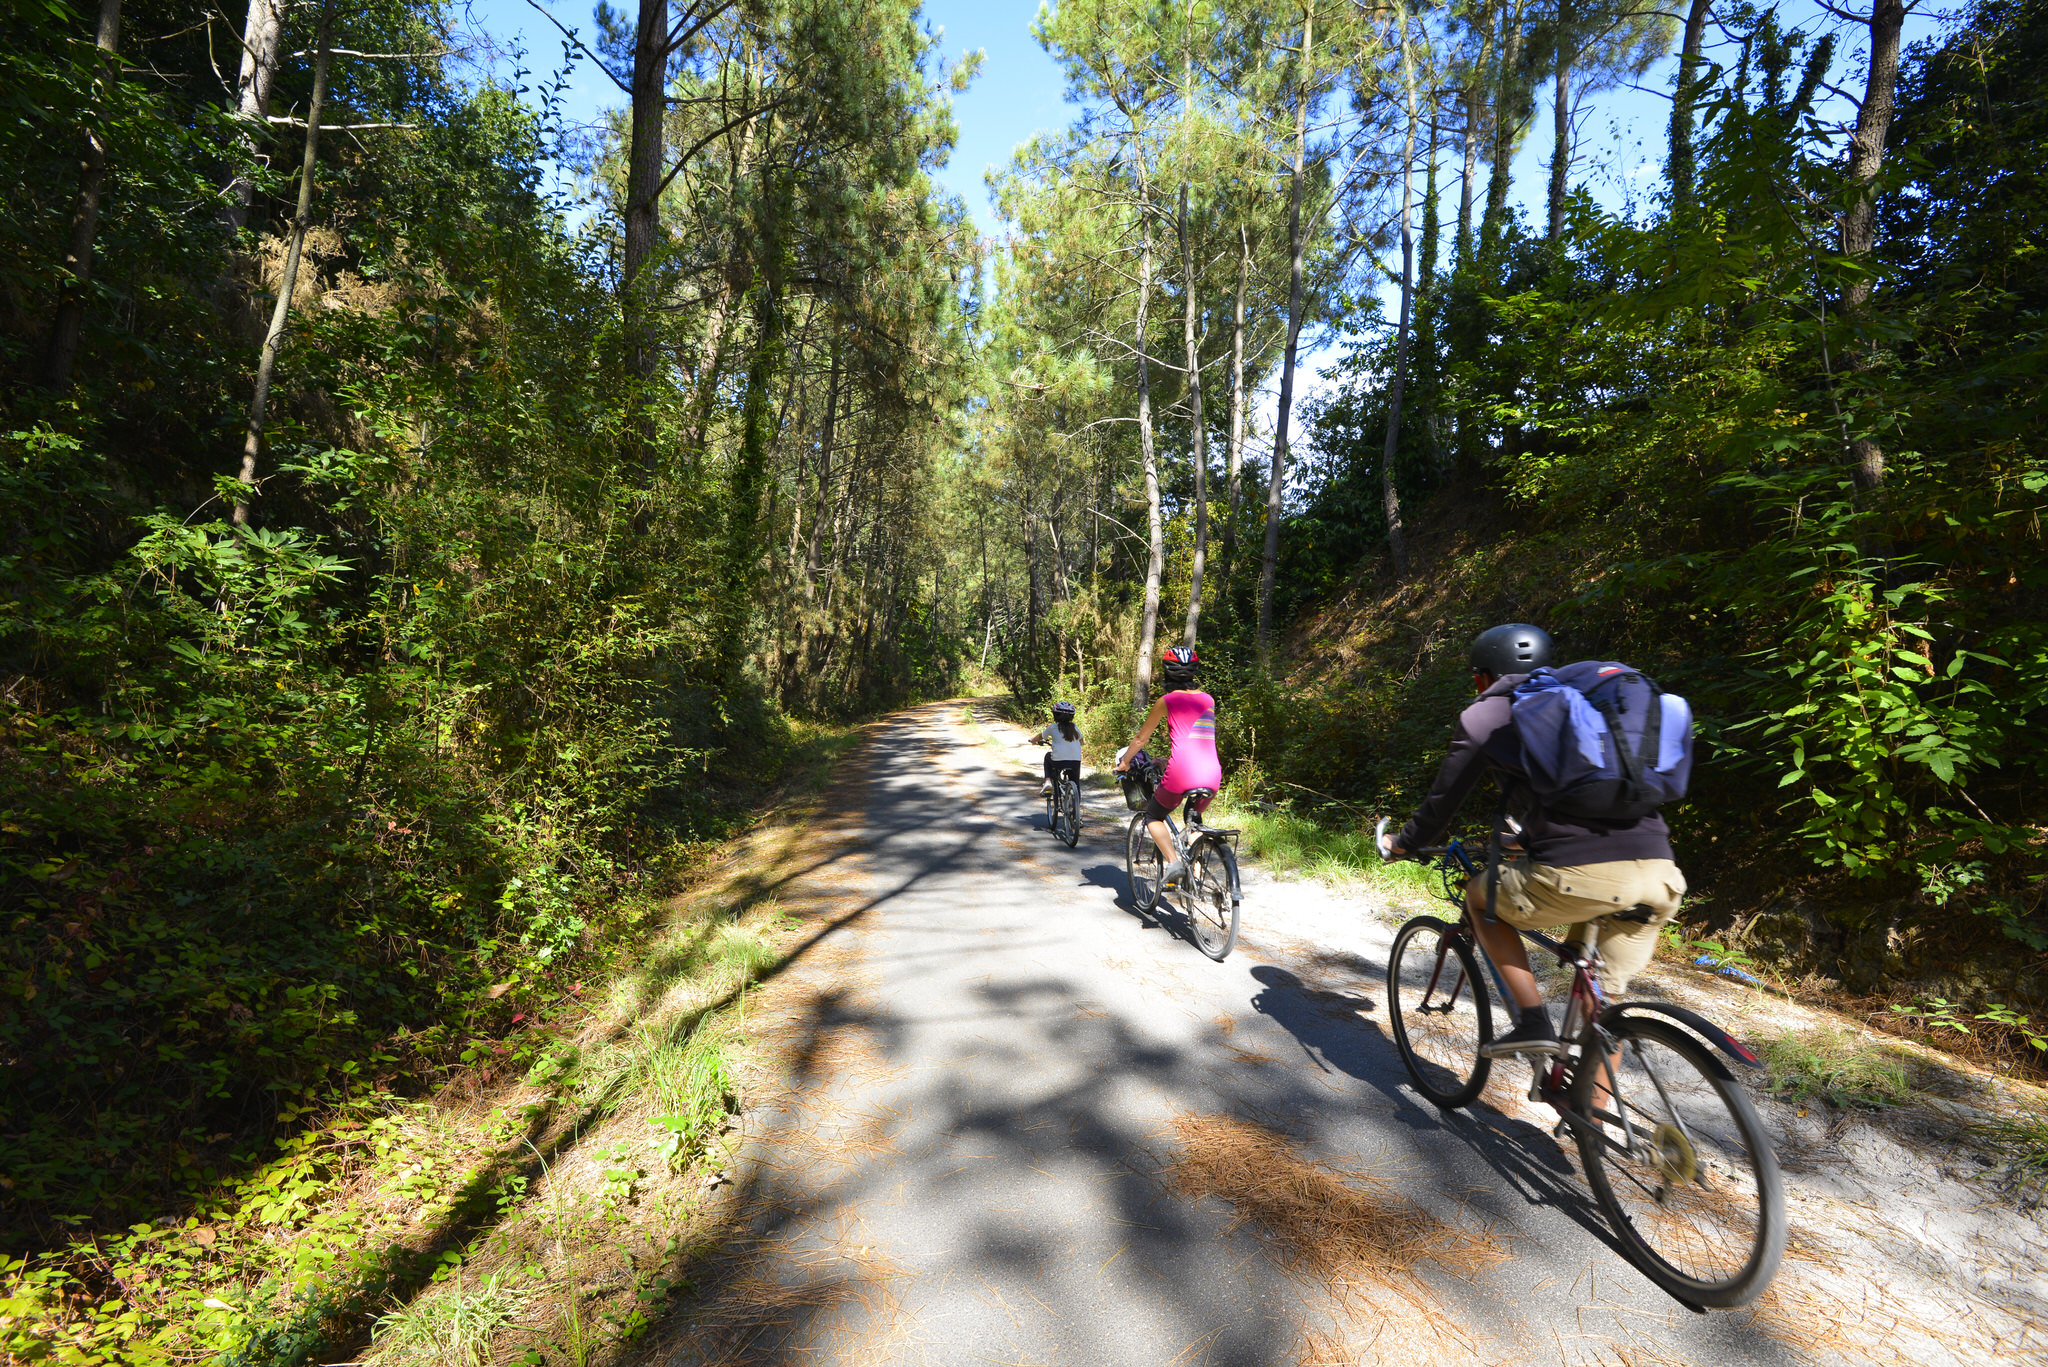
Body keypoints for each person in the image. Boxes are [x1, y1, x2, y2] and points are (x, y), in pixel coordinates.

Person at [1379, 624, 1687, 1058]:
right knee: (1602, 1011)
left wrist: (1403, 844)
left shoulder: (1485, 716)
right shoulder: (1585, 705)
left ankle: (1531, 1021)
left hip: (1580, 875)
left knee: (1478, 897)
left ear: (1481, 678)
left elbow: (1442, 801)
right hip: (1661, 875)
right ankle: (1589, 1119)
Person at [1114, 647, 1221, 888]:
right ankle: (1194, 875)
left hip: (1182, 772)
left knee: (1153, 815)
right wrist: (1165, 759)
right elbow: (1196, 738)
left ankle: (1173, 864)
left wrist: (1125, 762)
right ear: (1194, 671)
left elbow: (1141, 740)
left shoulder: (1166, 701)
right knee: (1194, 820)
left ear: (1167, 673)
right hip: (1212, 772)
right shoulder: (1208, 699)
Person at [1039, 701, 1083, 796]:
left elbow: (1040, 736)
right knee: (1076, 782)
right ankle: (1075, 807)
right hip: (1075, 760)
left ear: (1055, 715)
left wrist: (1032, 740)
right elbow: (1081, 741)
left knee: (1048, 757)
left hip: (1058, 761)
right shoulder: (1075, 727)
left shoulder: (1053, 727)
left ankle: (1047, 782)